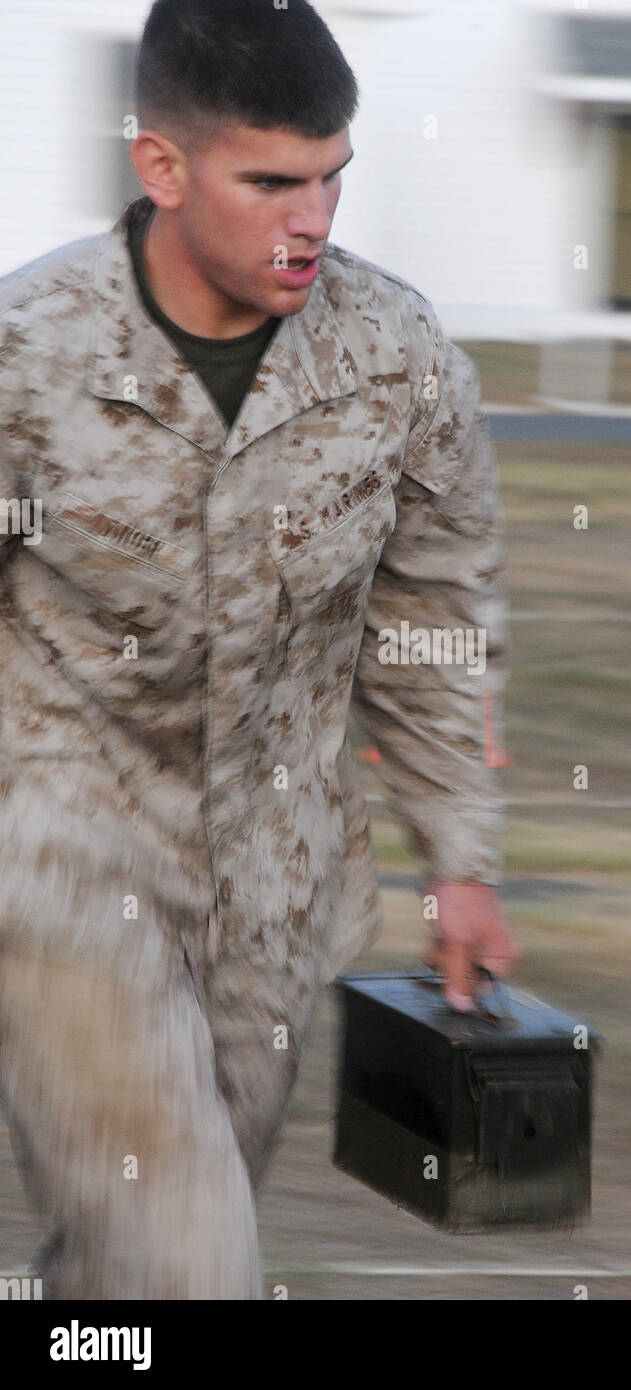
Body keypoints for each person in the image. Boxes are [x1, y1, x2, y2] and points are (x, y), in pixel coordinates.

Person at [0, 0, 518, 1299]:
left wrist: (461, 859)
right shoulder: (27, 357)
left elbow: (435, 618)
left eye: (334, 177)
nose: (313, 219)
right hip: (63, 876)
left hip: (277, 897)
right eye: (272, 180)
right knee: (188, 1260)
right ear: (162, 168)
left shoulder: (395, 356)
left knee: (138, 1260)